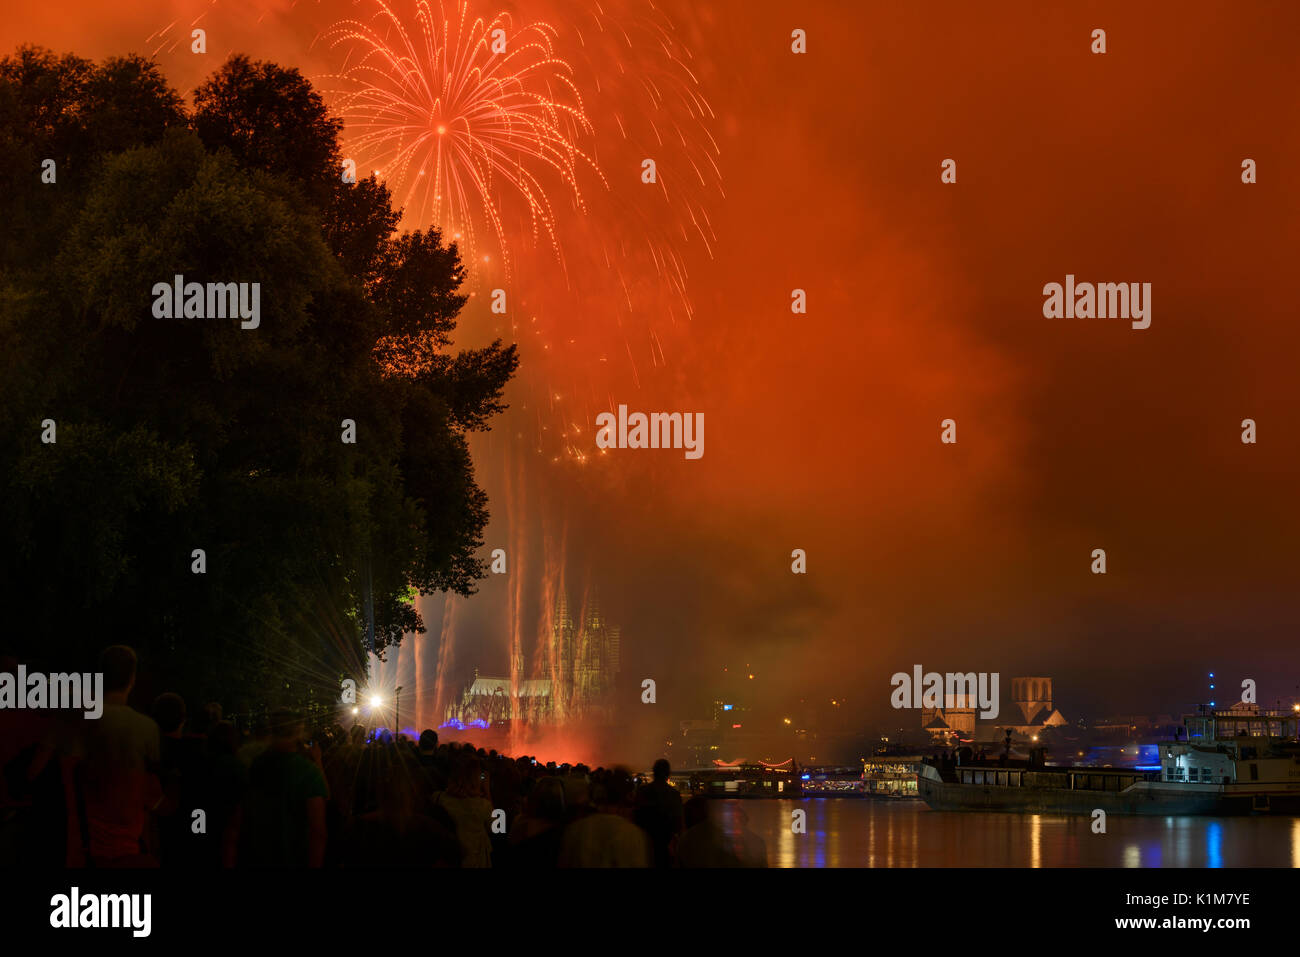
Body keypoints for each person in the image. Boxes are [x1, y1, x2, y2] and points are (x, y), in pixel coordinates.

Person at [78, 645, 162, 866]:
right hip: (129, 847)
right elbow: (152, 790)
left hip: (83, 844)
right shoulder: (146, 728)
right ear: (132, 679)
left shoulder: (79, 719)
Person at [229, 709, 328, 867]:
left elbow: (238, 818)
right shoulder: (308, 771)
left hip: (256, 857)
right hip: (293, 858)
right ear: (299, 731)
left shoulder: (257, 765)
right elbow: (317, 831)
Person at [431, 755, 494, 867]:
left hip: (447, 860)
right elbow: (499, 829)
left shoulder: (437, 798)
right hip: (475, 861)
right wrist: (488, 792)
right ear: (475, 778)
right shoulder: (483, 805)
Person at [634, 758, 683, 867]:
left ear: (654, 773)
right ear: (668, 774)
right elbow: (678, 821)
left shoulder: (642, 791)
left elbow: (636, 815)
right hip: (665, 842)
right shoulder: (673, 794)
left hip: (644, 841)